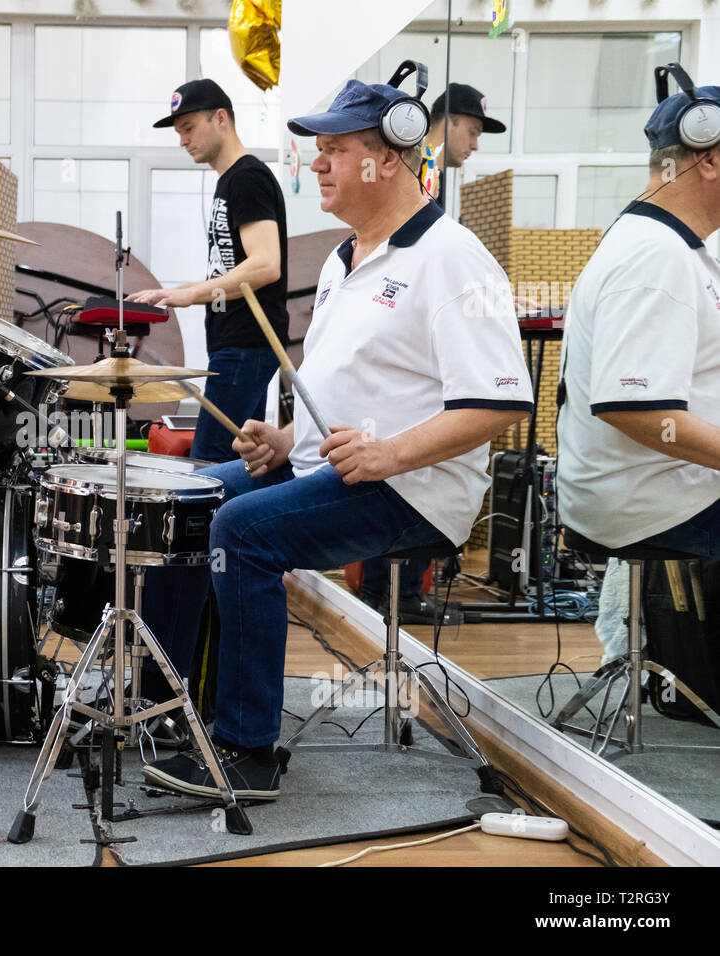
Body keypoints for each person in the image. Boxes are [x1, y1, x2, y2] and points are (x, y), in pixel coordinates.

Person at [139, 77, 532, 800]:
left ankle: (247, 750)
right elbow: (344, 388)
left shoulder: (453, 256)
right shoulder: (342, 260)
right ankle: (162, 710)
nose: (317, 164)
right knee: (182, 499)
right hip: (334, 469)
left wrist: (388, 453)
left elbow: (500, 403)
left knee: (242, 529)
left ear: (387, 159)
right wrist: (287, 438)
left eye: (335, 150)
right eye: (318, 151)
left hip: (411, 486)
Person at [556, 67, 720, 561]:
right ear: (709, 159)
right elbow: (634, 407)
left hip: (656, 490)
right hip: (656, 505)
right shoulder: (657, 255)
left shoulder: (668, 246)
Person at [359, 81, 508, 620]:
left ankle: (389, 589)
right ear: (439, 123)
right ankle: (393, 591)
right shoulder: (425, 173)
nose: (476, 143)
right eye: (472, 128)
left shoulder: (435, 178)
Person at [126, 78, 289, 463]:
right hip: (238, 345)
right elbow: (231, 269)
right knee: (243, 459)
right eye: (179, 132)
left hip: (246, 343)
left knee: (209, 461)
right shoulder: (230, 181)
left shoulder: (247, 178)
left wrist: (190, 295)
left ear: (221, 118)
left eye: (188, 128)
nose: (182, 140)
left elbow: (266, 265)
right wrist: (171, 292)